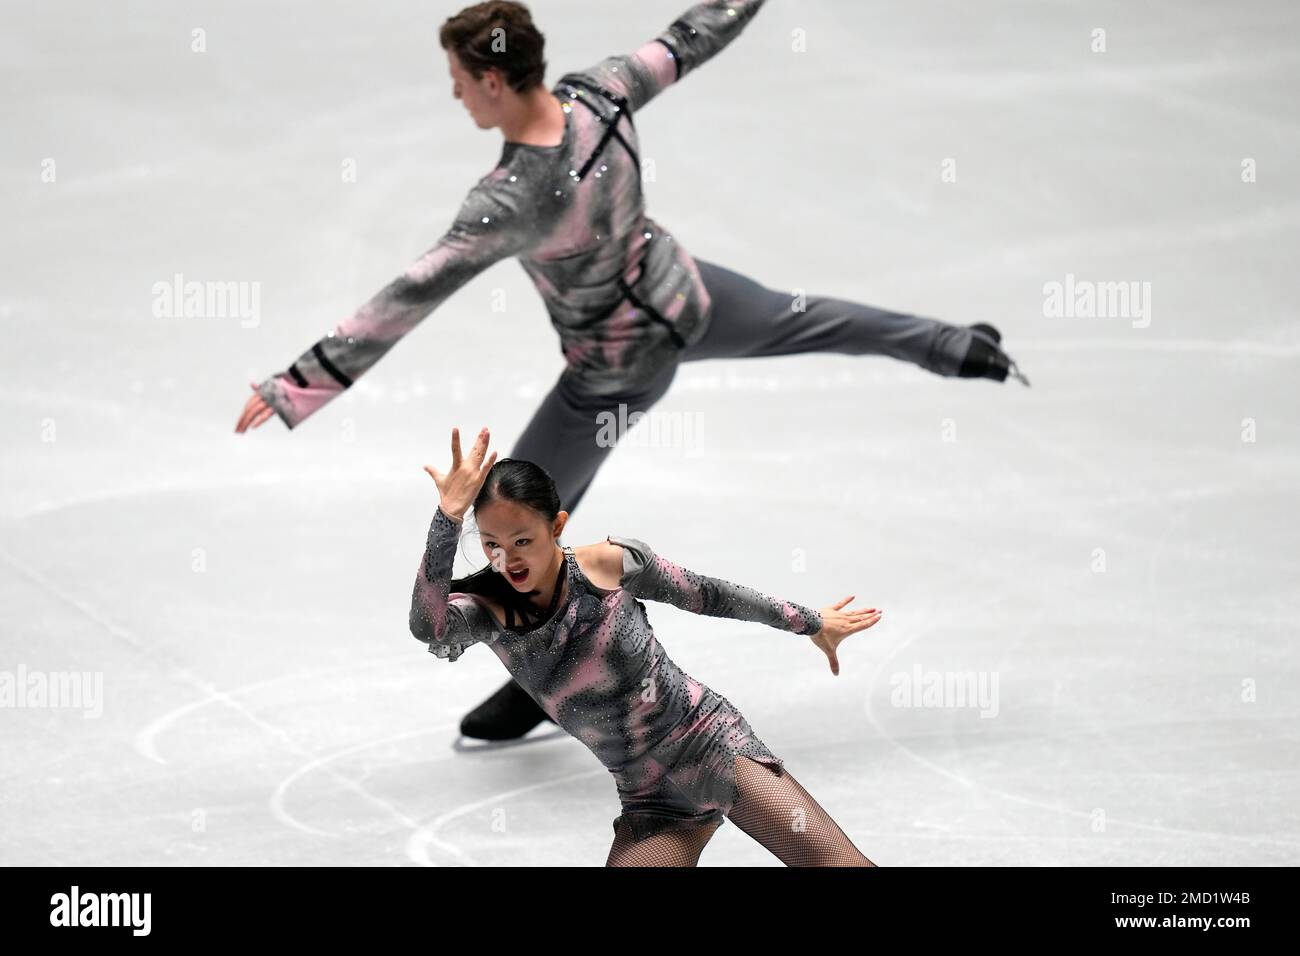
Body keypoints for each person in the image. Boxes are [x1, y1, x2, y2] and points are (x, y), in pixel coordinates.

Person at [236, 0, 1027, 740]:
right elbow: (692, 36)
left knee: (516, 520)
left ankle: (538, 676)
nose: (456, 100)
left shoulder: (508, 198)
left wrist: (296, 383)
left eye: (457, 83)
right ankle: (959, 346)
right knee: (816, 316)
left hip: (611, 372)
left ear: (491, 80)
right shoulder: (604, 93)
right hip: (692, 297)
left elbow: (410, 292)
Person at [413, 425, 882, 865]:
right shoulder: (486, 608)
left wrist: (811, 622)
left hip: (713, 747)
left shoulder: (608, 565)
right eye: (492, 543)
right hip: (648, 798)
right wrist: (447, 519)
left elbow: (710, 595)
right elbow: (428, 627)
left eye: (522, 540)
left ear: (556, 527)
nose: (507, 558)